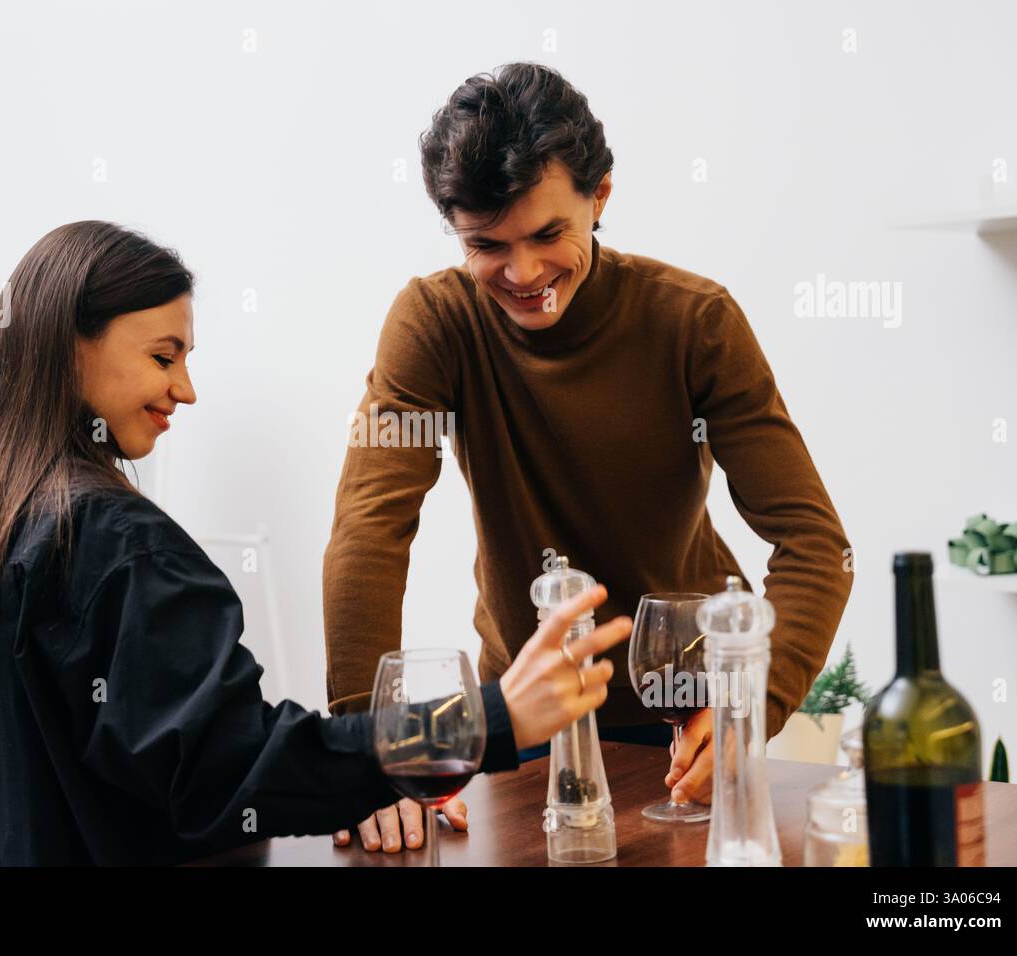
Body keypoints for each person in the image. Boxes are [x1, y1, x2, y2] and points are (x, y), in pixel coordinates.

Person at [0, 220, 631, 865]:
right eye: (163, 356)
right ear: (69, 344)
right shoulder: (112, 548)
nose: (186, 389)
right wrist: (488, 720)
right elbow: (244, 770)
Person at [323, 62, 854, 852]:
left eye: (547, 235)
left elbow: (817, 544)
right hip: (527, 713)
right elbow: (372, 527)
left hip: (691, 717)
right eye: (486, 246)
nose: (524, 273)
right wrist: (367, 757)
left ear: (600, 196)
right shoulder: (434, 323)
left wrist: (752, 705)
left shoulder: (695, 322)